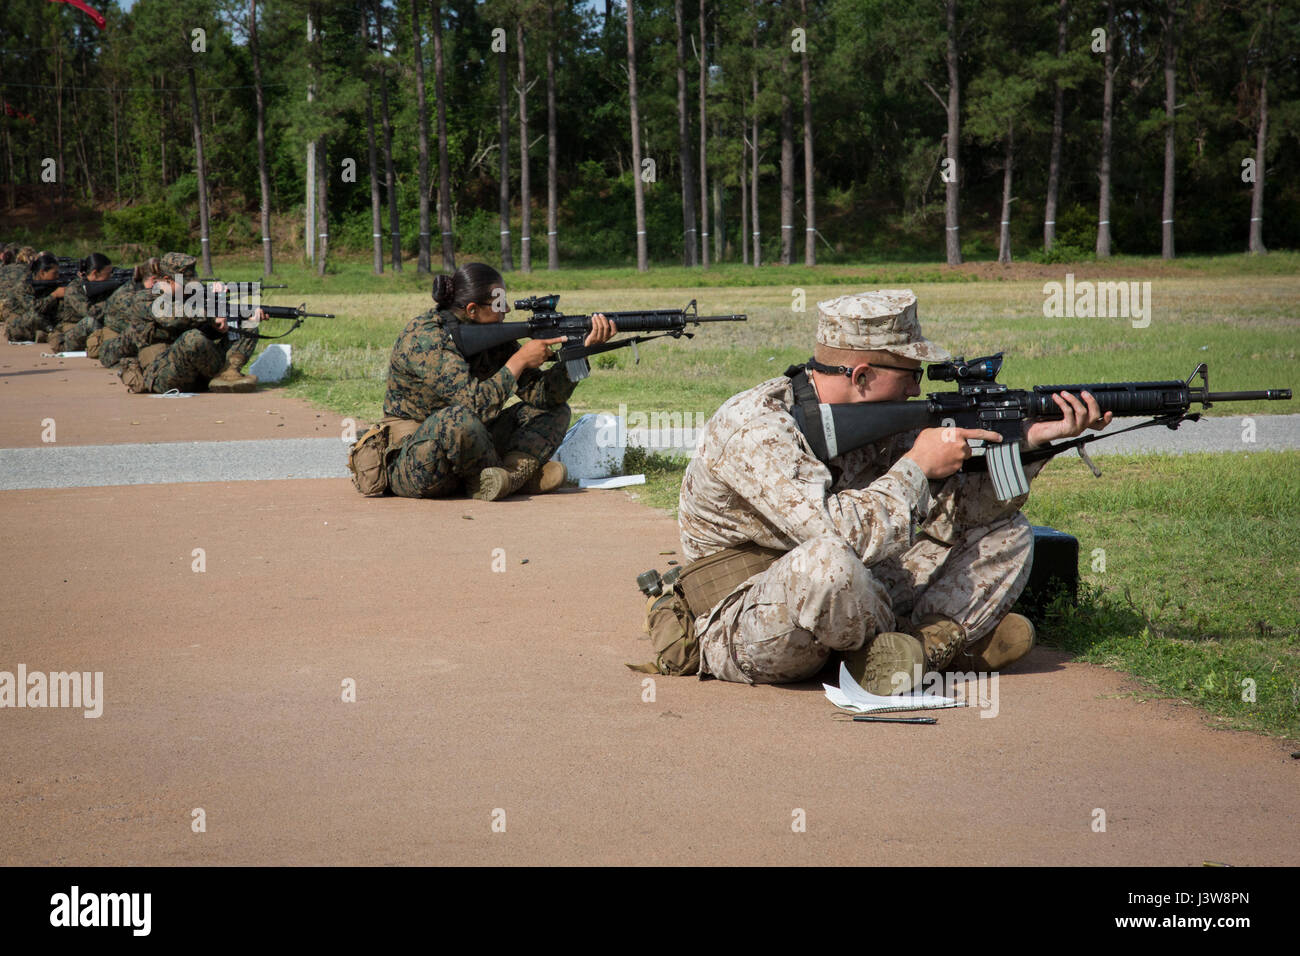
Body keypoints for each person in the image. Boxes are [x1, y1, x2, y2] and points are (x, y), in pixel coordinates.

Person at [676, 290, 1113, 693]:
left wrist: (1031, 441)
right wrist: (916, 468)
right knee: (826, 562)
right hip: (751, 616)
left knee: (1007, 530)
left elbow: (969, 510)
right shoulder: (756, 428)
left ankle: (913, 651)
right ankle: (919, 651)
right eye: (909, 373)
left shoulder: (877, 416)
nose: (917, 388)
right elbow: (834, 536)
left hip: (856, 589)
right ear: (863, 375)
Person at [381, 262, 616, 500]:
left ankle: (506, 477)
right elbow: (474, 406)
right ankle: (508, 479)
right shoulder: (425, 338)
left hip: (472, 446)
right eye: (498, 304)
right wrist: (519, 360)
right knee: (456, 419)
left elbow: (542, 396)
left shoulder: (491, 336)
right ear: (472, 309)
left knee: (556, 411)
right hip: (418, 460)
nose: (506, 311)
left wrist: (578, 353)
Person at [114, 255, 259, 394]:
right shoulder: (144, 299)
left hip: (199, 373)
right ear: (168, 280)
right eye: (186, 285)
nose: (191, 288)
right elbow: (174, 316)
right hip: (164, 375)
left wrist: (228, 320)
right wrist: (210, 315)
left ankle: (227, 375)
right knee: (192, 338)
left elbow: (206, 330)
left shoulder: (192, 298)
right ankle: (221, 377)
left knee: (248, 325)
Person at [49, 252, 115, 353]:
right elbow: (89, 312)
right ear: (95, 273)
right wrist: (111, 303)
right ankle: (105, 348)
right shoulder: (74, 288)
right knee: (90, 322)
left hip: (93, 331)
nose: (110, 277)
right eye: (108, 273)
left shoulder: (102, 287)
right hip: (71, 333)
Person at [3, 253, 65, 342]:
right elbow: (34, 308)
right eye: (54, 273)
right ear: (42, 273)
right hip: (19, 326)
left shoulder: (50, 285)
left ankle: (46, 334)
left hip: (42, 323)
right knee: (34, 316)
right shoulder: (23, 286)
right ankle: (52, 333)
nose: (57, 276)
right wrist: (54, 295)